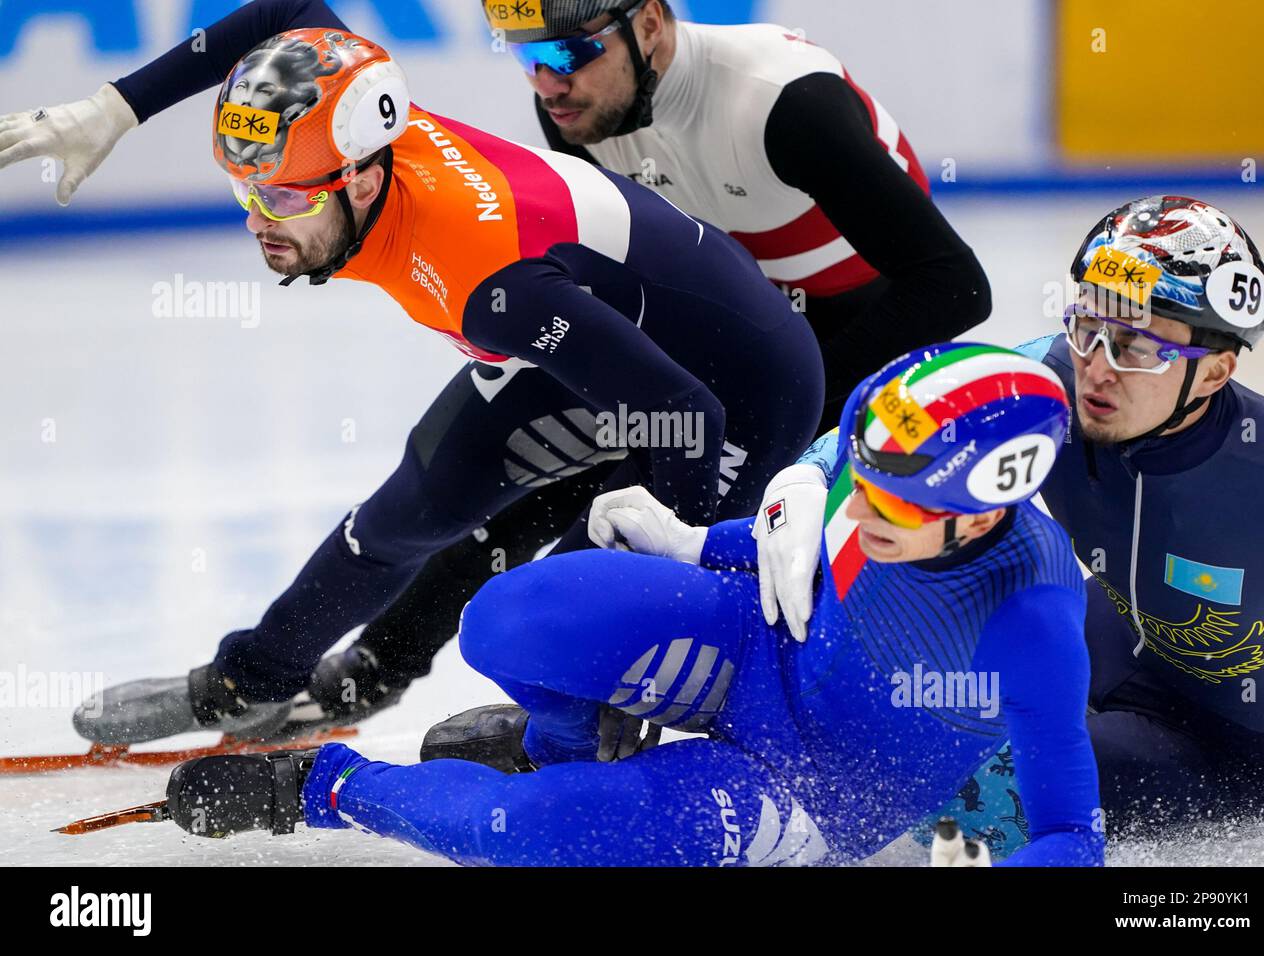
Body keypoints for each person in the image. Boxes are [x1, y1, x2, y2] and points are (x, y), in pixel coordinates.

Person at [0, 21, 824, 743]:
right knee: (409, 510)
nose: (257, 219)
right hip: (602, 338)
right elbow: (286, 13)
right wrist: (115, 108)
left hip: (742, 389)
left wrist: (631, 621)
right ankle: (250, 680)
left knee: (561, 605)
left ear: (360, 180)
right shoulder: (350, 114)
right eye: (243, 188)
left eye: (282, 196)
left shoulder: (487, 280)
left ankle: (572, 714)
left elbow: (686, 413)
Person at [161, 344, 1104, 867]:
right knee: (507, 618)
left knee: (526, 838)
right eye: (862, 475)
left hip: (810, 792)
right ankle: (559, 750)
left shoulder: (1033, 623)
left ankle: (321, 788)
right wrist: (696, 544)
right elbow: (811, 539)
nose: (857, 505)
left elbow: (1070, 836)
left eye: (892, 504)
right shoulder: (898, 454)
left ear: (982, 516)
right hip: (761, 642)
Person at [354, 0, 998, 706]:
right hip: (715, 329)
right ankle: (374, 669)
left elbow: (954, 288)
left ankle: (558, 711)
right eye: (525, 57)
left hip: (846, 336)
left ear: (651, 25)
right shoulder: (580, 105)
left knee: (627, 519)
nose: (547, 84)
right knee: (524, 471)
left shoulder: (785, 103)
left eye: (568, 55)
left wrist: (802, 400)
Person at [754, 195, 1264, 853]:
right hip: (1120, 638)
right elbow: (912, 411)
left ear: (1213, 371)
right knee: (892, 644)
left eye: (1135, 347)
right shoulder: (1052, 380)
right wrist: (805, 478)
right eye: (1087, 328)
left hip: (1236, 744)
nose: (1096, 368)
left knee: (964, 795)